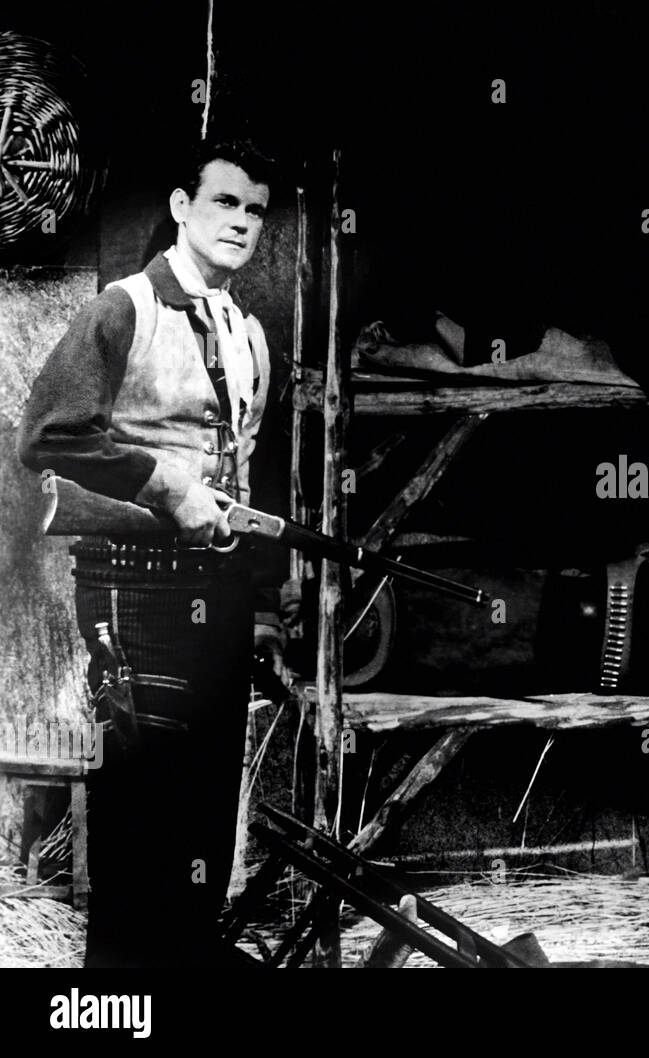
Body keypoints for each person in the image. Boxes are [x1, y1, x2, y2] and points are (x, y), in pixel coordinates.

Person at [18, 138, 285, 967]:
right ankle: (125, 987)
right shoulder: (122, 309)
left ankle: (186, 957)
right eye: (225, 203)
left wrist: (265, 606)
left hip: (223, 595)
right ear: (180, 206)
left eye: (255, 211)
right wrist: (164, 486)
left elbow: (249, 474)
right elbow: (48, 438)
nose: (241, 223)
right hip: (133, 593)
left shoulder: (250, 334)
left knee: (206, 811)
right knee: (141, 813)